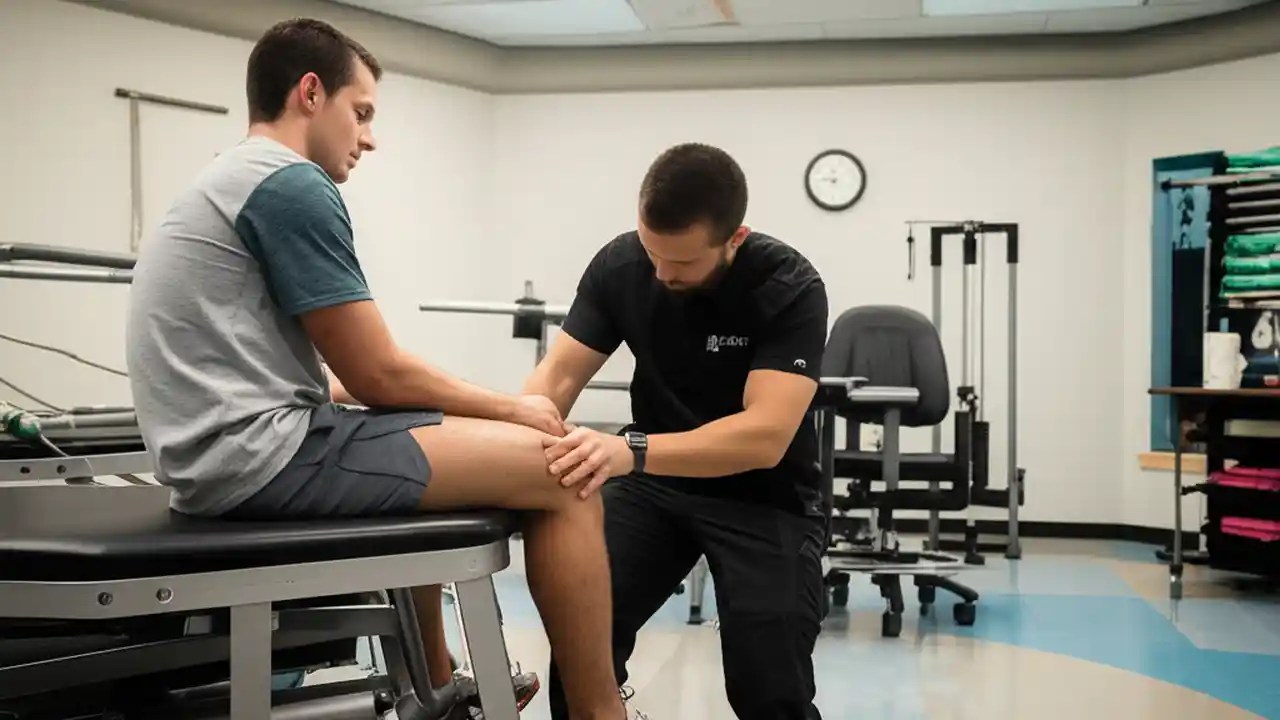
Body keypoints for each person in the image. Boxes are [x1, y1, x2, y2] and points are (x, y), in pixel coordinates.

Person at [124, 18, 643, 720]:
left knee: (433, 431)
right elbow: (378, 376)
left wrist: (456, 412)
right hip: (258, 459)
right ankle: (599, 712)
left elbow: (327, 376)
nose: (368, 137)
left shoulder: (228, 176)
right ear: (311, 93)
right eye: (361, 113)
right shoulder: (291, 186)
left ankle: (437, 684)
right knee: (566, 470)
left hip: (228, 453)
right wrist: (512, 407)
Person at [525, 143, 829, 720]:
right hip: (654, 486)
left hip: (763, 494)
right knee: (583, 630)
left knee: (769, 683)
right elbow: (558, 375)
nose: (662, 274)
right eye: (652, 252)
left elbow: (765, 435)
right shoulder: (621, 265)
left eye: (684, 263)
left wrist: (630, 451)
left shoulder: (787, 285)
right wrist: (509, 441)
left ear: (735, 238)